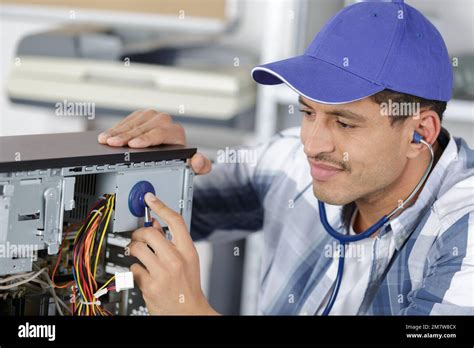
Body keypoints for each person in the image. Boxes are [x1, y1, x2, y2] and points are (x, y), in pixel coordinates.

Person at [97, 0, 474, 315]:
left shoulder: (464, 236)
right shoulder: (290, 160)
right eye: (308, 113)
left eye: (344, 123)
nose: (312, 144)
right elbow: (160, 212)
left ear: (419, 132)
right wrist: (162, 165)